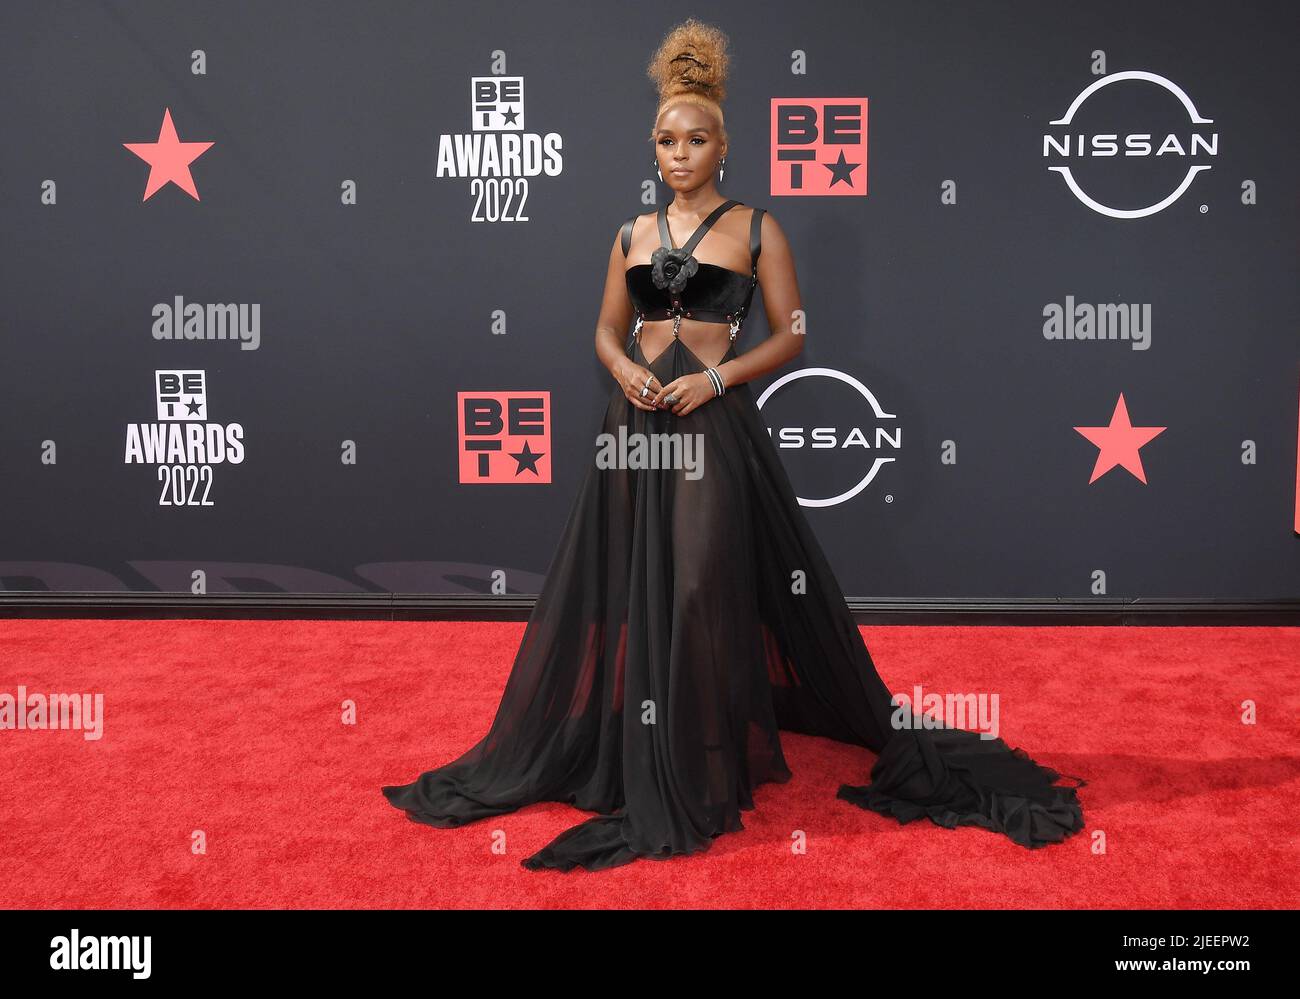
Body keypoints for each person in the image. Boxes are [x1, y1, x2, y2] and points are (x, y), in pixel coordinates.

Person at [382, 18, 1086, 871]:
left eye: (697, 139)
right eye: (667, 141)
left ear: (725, 144)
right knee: (630, 590)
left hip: (712, 427)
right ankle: (645, 743)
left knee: (697, 590)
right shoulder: (630, 234)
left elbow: (791, 334)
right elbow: (605, 330)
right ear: (654, 150)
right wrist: (624, 372)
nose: (680, 154)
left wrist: (716, 380)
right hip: (635, 428)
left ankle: (699, 758)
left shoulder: (756, 229)